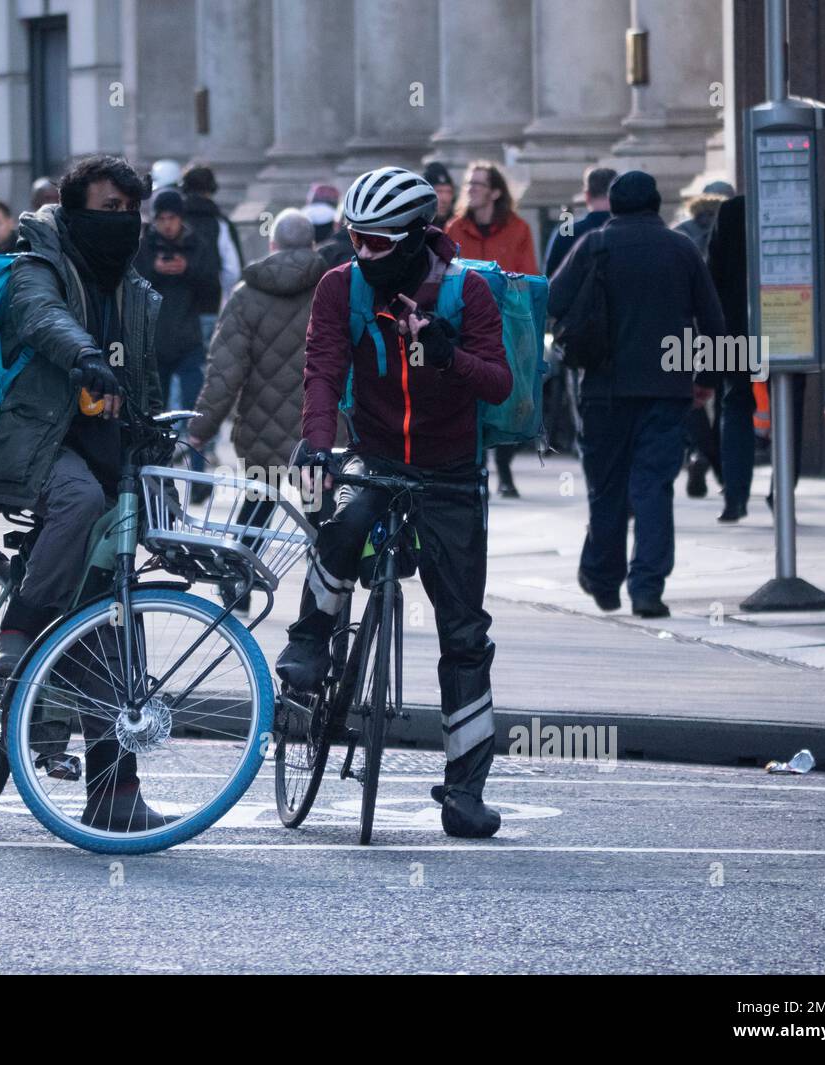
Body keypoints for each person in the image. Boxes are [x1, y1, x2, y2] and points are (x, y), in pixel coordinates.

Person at [277, 167, 512, 839]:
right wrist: (317, 445)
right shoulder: (338, 288)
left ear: (415, 237)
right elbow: (322, 370)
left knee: (465, 635)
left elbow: (498, 384)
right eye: (356, 238)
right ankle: (309, 640)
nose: (363, 253)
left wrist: (446, 354)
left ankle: (464, 792)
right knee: (344, 524)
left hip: (450, 475)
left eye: (378, 242)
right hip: (378, 460)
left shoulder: (467, 294)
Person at [0, 154, 171, 832]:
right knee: (80, 504)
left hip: (111, 449)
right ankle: (19, 628)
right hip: (41, 439)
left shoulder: (136, 289)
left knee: (117, 612)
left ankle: (114, 791)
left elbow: (141, 376)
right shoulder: (39, 263)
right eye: (109, 208)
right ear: (74, 208)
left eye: (131, 211)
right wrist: (83, 353)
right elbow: (38, 318)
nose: (123, 223)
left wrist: (162, 432)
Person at [549, 170, 725, 619]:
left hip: (604, 390)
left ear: (613, 204)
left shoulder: (595, 245)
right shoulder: (682, 249)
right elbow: (713, 320)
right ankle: (647, 588)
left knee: (607, 488)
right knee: (652, 487)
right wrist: (706, 377)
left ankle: (603, 580)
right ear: (656, 203)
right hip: (667, 390)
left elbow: (552, 302)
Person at [185, 208, 327, 612]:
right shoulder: (330, 289)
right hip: (319, 431)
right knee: (320, 514)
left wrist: (200, 428)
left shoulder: (247, 296)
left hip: (263, 429)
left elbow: (224, 373)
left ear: (272, 244)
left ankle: (237, 584)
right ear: (313, 244)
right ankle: (323, 600)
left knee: (258, 506)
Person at [706, 194, 825, 521]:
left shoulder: (731, 211)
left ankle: (735, 497)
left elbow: (713, 274)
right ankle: (781, 496)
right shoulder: (811, 209)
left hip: (737, 328)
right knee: (789, 410)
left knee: (736, 404)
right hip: (791, 326)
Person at [446, 161, 538, 498]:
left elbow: (527, 276)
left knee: (509, 395)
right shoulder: (455, 228)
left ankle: (505, 467)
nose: (470, 189)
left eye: (478, 184)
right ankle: (477, 465)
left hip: (507, 323)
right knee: (472, 392)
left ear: (495, 191)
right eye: (468, 184)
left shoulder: (518, 228)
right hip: (465, 322)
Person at [544, 167, 618, 457]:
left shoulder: (568, 229)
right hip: (625, 331)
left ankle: (592, 451)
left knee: (585, 403)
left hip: (581, 334)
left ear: (586, 195)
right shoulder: (624, 228)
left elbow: (550, 280)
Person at [673, 180, 734, 499]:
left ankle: (699, 453)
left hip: (685, 333)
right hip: (732, 328)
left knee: (693, 402)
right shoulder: (737, 229)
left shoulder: (680, 233)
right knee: (730, 401)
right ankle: (727, 473)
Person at [135, 188, 220, 418]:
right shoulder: (144, 246)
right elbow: (132, 285)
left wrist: (187, 269)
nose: (167, 225)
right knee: (155, 410)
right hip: (154, 339)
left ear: (180, 218)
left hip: (189, 336)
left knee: (193, 406)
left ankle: (193, 450)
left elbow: (212, 285)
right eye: (161, 219)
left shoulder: (197, 244)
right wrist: (154, 271)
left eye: (171, 218)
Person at [180, 163, 244, 339]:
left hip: (176, 309)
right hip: (211, 305)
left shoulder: (173, 222)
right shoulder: (220, 224)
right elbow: (233, 270)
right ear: (211, 190)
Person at [423, 161, 455, 228]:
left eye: (449, 192)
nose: (445, 198)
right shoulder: (415, 226)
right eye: (439, 191)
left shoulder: (458, 227)